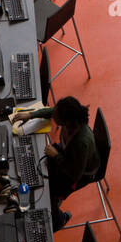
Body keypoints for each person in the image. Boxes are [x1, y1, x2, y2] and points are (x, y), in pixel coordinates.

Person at [13, 96, 99, 231]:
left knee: (49, 190)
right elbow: (53, 111)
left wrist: (56, 156)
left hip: (80, 173)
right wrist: (30, 114)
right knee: (40, 164)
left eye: (56, 115)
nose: (53, 115)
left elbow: (74, 174)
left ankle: (59, 219)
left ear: (66, 122)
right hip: (67, 156)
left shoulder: (81, 143)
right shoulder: (72, 118)